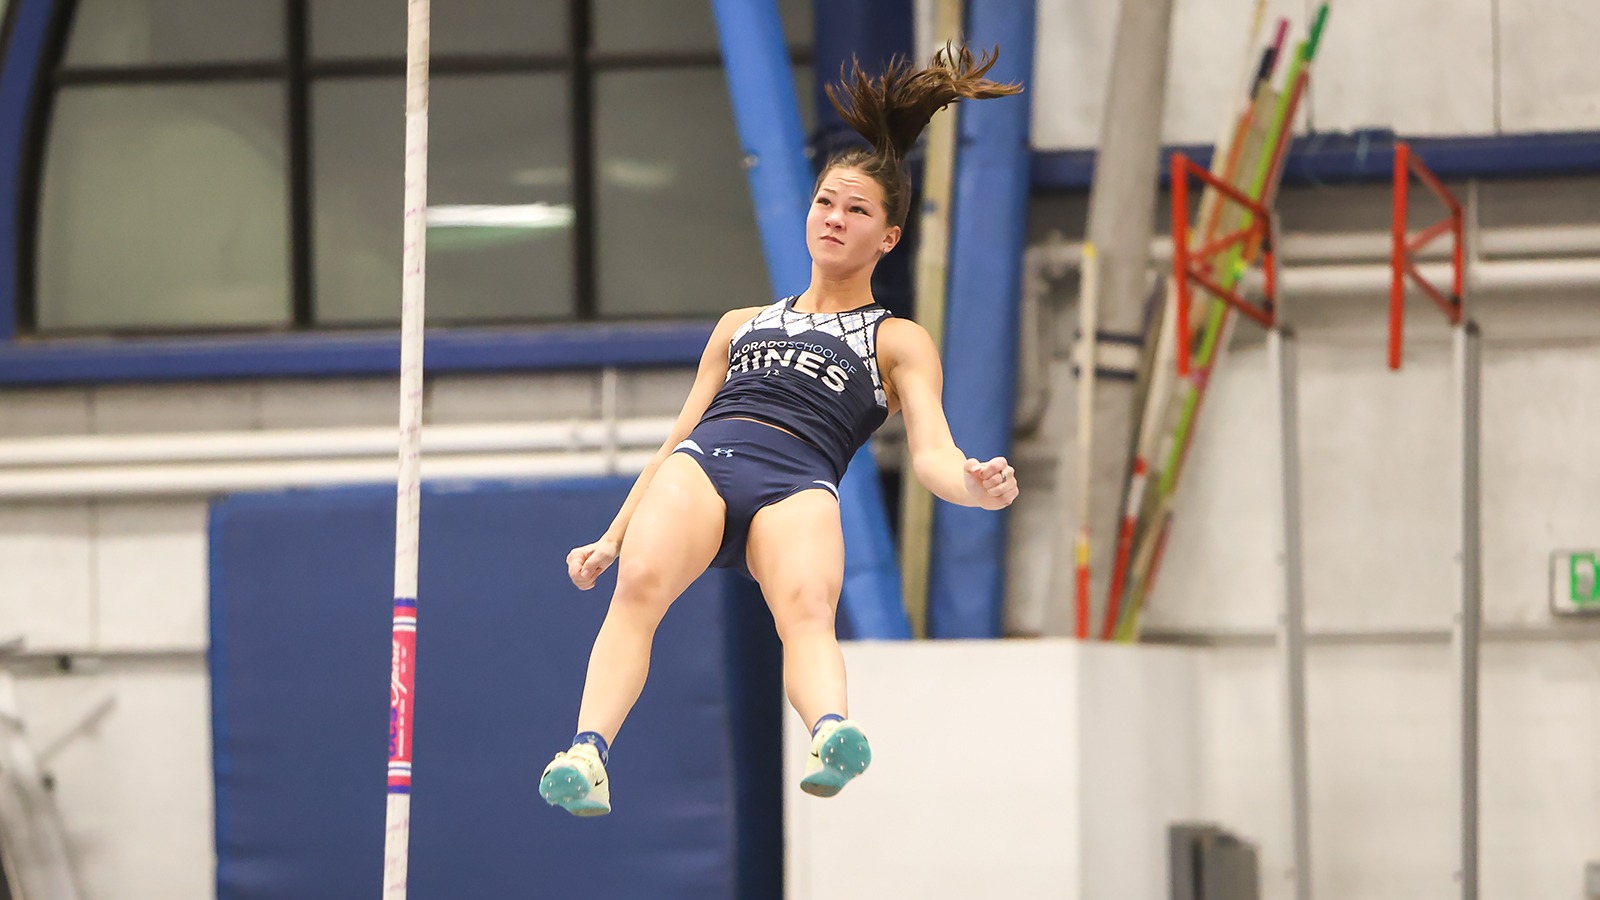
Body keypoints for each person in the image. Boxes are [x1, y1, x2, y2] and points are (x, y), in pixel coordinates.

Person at [539, 45, 1023, 817]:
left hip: (799, 481)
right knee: (636, 588)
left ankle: (831, 732)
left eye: (858, 211)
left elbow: (931, 451)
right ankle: (587, 754)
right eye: (826, 202)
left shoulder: (897, 339)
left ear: (887, 238)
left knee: (804, 610)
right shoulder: (740, 325)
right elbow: (678, 435)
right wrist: (612, 534)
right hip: (705, 462)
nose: (835, 219)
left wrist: (974, 487)